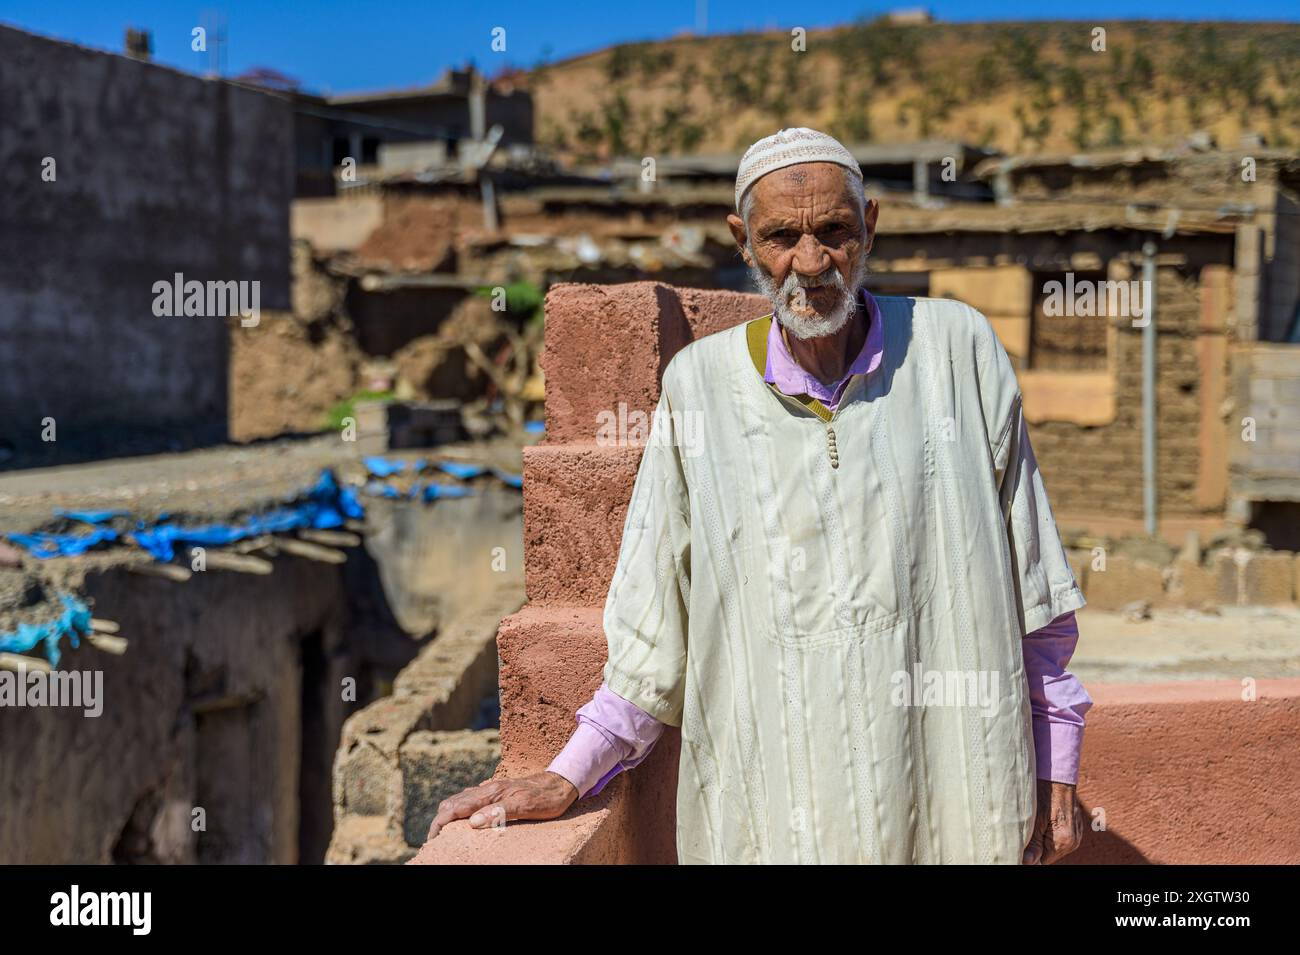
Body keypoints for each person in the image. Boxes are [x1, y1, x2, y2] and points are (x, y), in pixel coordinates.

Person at [428, 127, 1091, 864]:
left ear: (869, 226)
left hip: (953, 800)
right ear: (743, 241)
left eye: (834, 232)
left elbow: (1036, 591)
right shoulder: (699, 389)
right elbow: (653, 625)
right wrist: (567, 772)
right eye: (781, 237)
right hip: (774, 817)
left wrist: (1055, 763)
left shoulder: (958, 351)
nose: (810, 263)